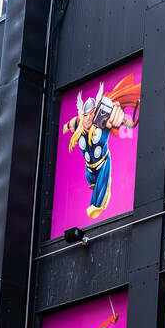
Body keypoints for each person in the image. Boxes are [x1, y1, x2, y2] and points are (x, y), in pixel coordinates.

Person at [62, 74, 141, 219]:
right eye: (86, 115)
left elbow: (126, 123)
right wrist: (66, 126)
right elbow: (70, 124)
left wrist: (124, 119)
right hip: (89, 166)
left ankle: (96, 206)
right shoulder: (79, 123)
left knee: (100, 191)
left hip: (103, 162)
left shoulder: (102, 121)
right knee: (91, 179)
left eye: (92, 114)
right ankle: (94, 184)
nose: (89, 118)